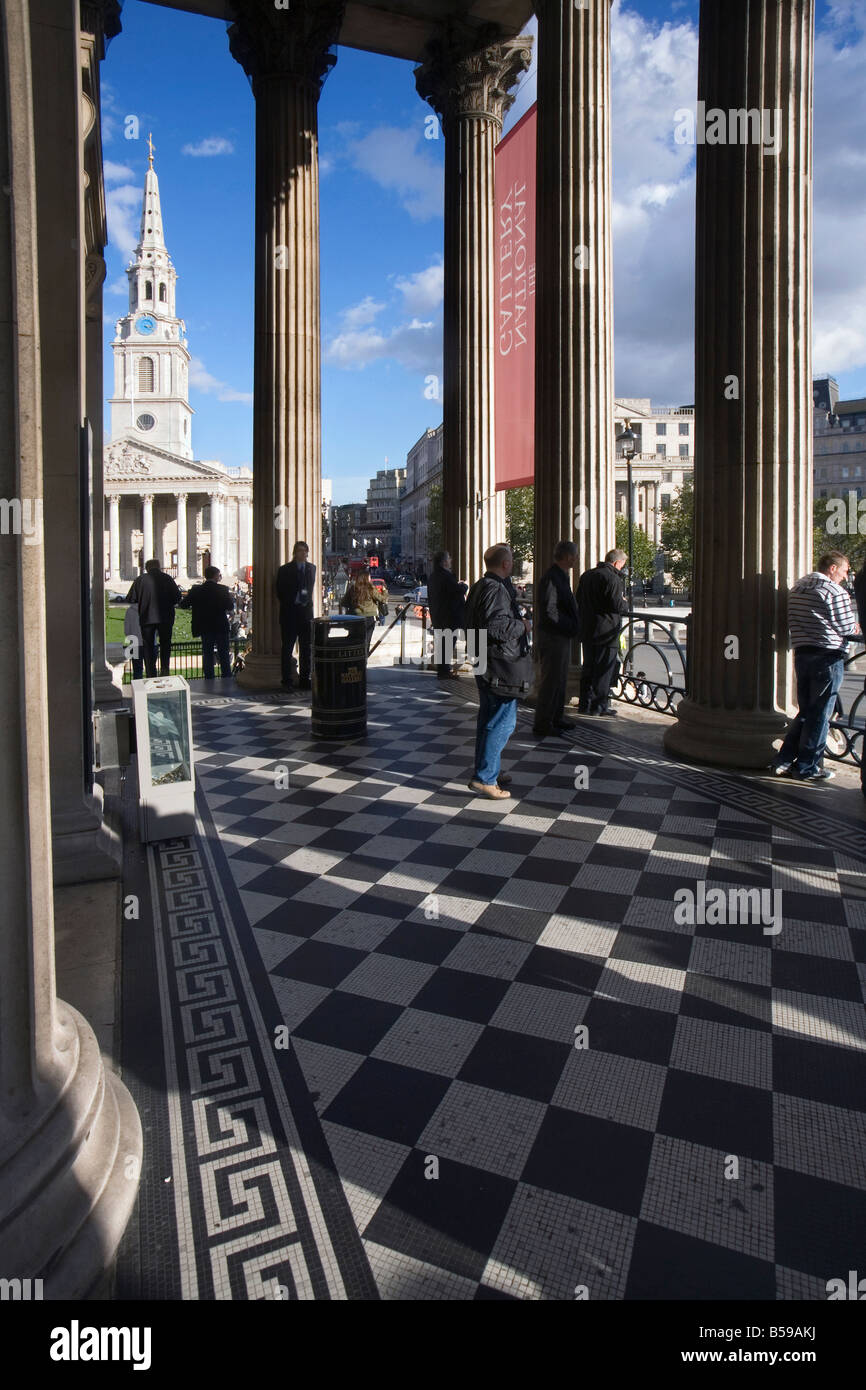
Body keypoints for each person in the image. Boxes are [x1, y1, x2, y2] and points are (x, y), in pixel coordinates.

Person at [770, 550, 860, 783]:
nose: (844, 575)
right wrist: (855, 627)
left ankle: (784, 759)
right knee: (820, 713)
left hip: (803, 653)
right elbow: (848, 628)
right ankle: (808, 767)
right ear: (832, 568)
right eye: (844, 570)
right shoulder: (833, 591)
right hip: (827, 656)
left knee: (806, 711)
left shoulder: (798, 587)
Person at [463, 542, 533, 800]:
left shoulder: (480, 586)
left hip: (484, 658)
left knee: (489, 718)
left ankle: (488, 769)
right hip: (499, 663)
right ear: (505, 564)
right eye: (511, 559)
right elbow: (498, 627)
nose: (513, 562)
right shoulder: (495, 590)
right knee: (503, 721)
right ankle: (485, 778)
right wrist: (523, 625)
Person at [533, 540, 581, 736]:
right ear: (568, 557)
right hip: (554, 637)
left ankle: (556, 717)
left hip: (559, 636)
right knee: (550, 681)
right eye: (575, 556)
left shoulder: (561, 576)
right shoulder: (552, 578)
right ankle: (543, 723)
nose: (577, 559)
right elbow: (550, 611)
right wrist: (570, 627)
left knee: (560, 679)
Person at [576, 548, 629, 716]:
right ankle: (599, 706)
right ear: (616, 563)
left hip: (587, 628)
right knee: (604, 670)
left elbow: (578, 599)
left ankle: (585, 703)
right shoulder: (613, 578)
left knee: (589, 667)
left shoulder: (587, 575)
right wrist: (625, 603)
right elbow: (617, 605)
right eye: (622, 565)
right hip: (606, 630)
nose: (622, 568)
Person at [125, 558, 182, 677]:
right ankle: (165, 668)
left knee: (148, 645)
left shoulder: (140, 580)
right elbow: (177, 597)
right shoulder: (167, 578)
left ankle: (151, 671)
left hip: (147, 617)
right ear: (159, 566)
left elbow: (131, 598)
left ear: (146, 568)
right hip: (165, 617)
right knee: (165, 643)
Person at [180, 566, 234, 679]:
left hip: (204, 626)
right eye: (219, 575)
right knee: (223, 652)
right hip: (220, 625)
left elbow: (183, 604)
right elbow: (230, 606)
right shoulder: (223, 589)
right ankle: (227, 676)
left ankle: (209, 677)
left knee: (207, 653)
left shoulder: (196, 590)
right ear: (215, 576)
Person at [276, 541, 315, 690]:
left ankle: (305, 679)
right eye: (300, 551)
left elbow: (310, 589)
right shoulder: (285, 570)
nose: (303, 554)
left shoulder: (311, 568)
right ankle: (287, 681)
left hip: (305, 615)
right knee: (287, 649)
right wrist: (293, 600)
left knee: (306, 649)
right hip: (290, 614)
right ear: (294, 552)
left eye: (305, 551)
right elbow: (279, 592)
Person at [428, 549, 468, 679]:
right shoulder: (446, 576)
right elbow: (456, 591)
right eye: (449, 559)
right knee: (448, 644)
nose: (451, 561)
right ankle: (444, 671)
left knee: (442, 644)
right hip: (450, 617)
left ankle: (443, 670)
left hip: (438, 616)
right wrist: (464, 586)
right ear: (444, 562)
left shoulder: (434, 576)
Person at [346, 571, 381, 652]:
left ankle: (356, 658)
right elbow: (382, 599)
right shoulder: (371, 588)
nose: (371, 579)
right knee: (367, 640)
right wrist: (385, 591)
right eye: (369, 577)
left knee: (356, 640)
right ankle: (364, 659)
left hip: (355, 617)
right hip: (369, 618)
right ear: (366, 578)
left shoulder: (353, 588)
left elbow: (344, 602)